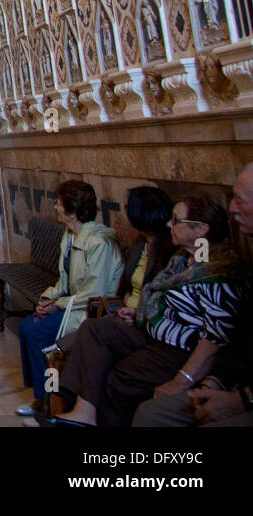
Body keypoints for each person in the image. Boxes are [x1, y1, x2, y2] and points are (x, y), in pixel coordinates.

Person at [52, 195, 244, 427]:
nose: (168, 224)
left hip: (177, 349)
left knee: (117, 376)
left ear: (201, 229)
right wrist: (139, 313)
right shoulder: (186, 259)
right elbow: (173, 301)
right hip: (152, 332)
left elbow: (214, 336)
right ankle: (82, 409)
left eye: (176, 220)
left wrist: (182, 380)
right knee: (94, 330)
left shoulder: (218, 274)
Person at [133, 164, 253, 427]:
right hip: (228, 376)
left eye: (240, 200)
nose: (232, 208)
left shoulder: (220, 269)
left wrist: (241, 399)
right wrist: (215, 382)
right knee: (148, 412)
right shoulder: (180, 258)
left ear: (201, 230)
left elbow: (218, 332)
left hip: (186, 353)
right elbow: (241, 343)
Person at [15, 180, 124, 416]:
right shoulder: (70, 235)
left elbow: (95, 292)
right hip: (72, 304)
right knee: (28, 327)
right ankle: (43, 396)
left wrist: (57, 305)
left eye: (59, 203)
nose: (55, 207)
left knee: (36, 334)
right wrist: (47, 299)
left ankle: (49, 400)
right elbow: (64, 281)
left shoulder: (99, 243)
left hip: (93, 311)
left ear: (72, 211)